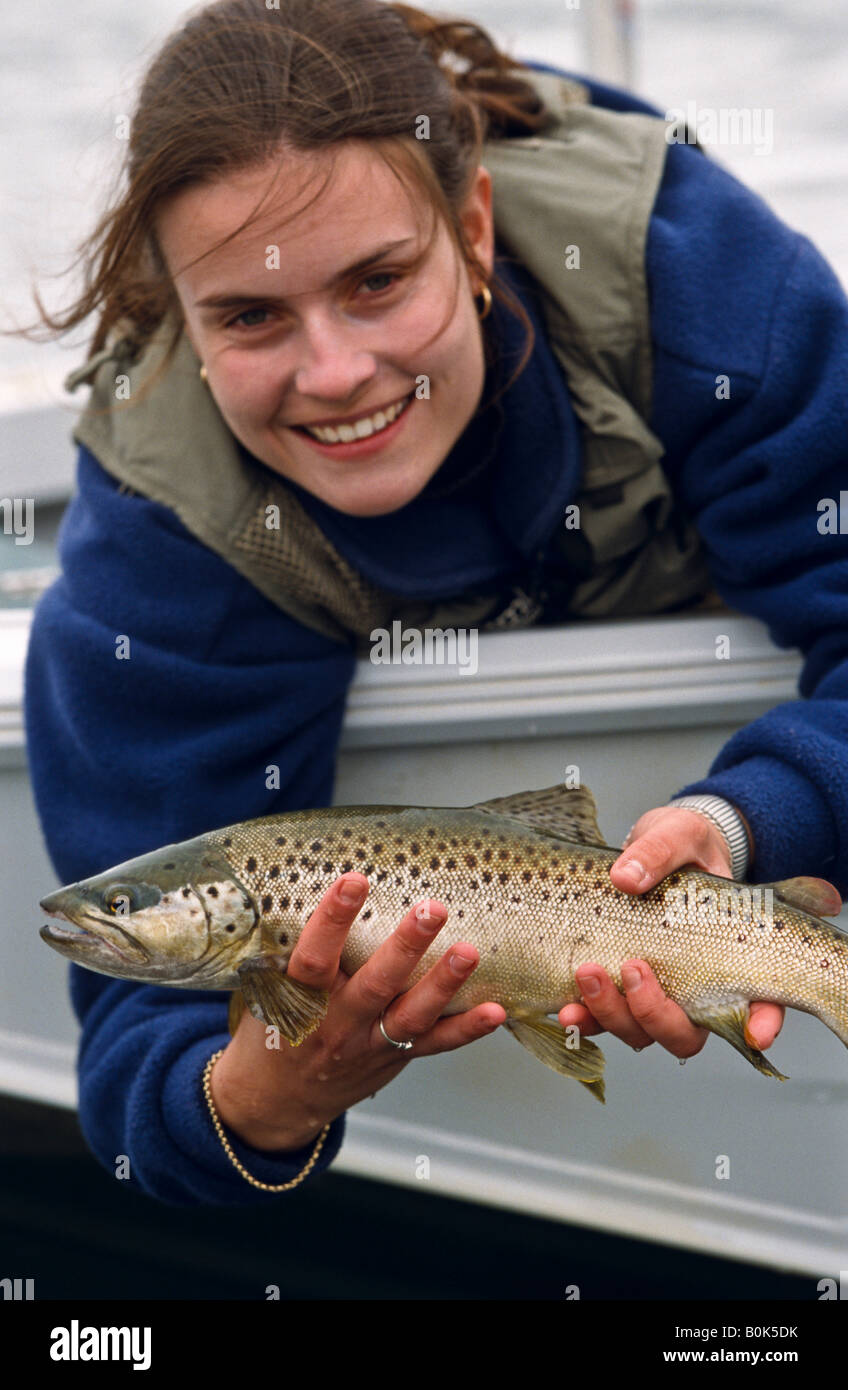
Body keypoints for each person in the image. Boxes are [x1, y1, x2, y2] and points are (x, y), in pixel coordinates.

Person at [23, 0, 848, 1206]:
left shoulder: (712, 293)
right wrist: (268, 1091)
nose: (336, 371)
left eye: (376, 281)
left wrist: (749, 818)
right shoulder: (155, 564)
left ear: (472, 228)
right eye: (250, 316)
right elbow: (133, 1068)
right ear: (182, 320)